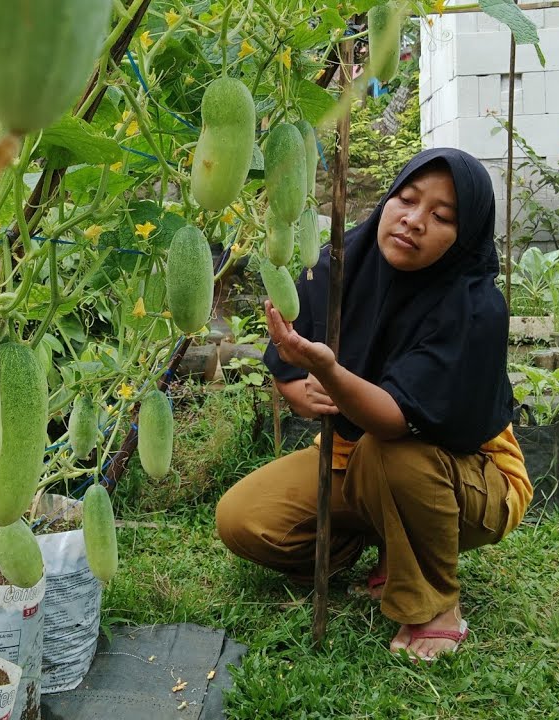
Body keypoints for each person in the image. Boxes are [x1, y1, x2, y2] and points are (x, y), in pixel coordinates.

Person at [215, 147, 531, 662]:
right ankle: (387, 546)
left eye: (441, 216)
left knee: (396, 454)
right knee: (245, 519)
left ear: (464, 235)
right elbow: (289, 360)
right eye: (406, 200)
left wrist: (330, 373)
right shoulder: (341, 263)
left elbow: (396, 419)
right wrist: (300, 389)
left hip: (468, 479)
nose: (414, 221)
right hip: (355, 463)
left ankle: (434, 606)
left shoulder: (474, 307)